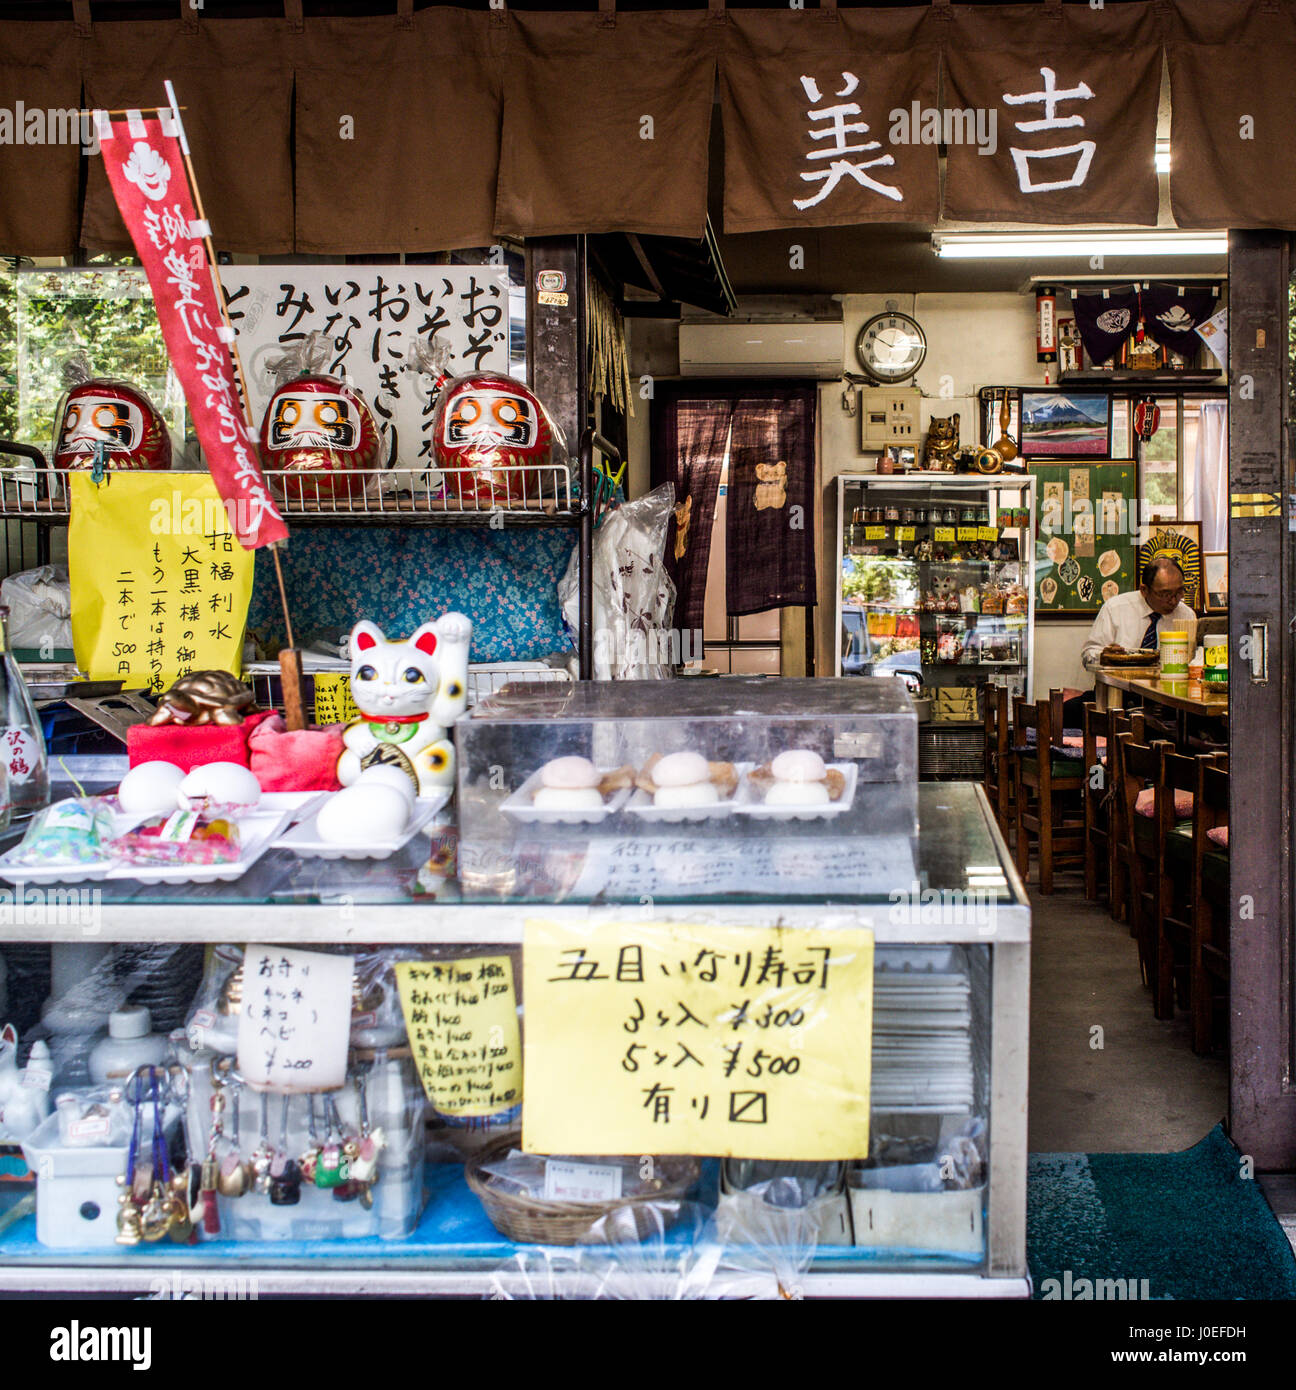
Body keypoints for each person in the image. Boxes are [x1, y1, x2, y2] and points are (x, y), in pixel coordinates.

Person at [1080, 556, 1198, 672]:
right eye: (1165, 594)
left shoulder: (1186, 615)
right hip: (1120, 686)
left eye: (1179, 592)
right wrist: (1104, 656)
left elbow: (1195, 661)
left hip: (1168, 686)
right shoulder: (1115, 609)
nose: (1173, 601)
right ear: (1144, 590)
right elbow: (1088, 654)